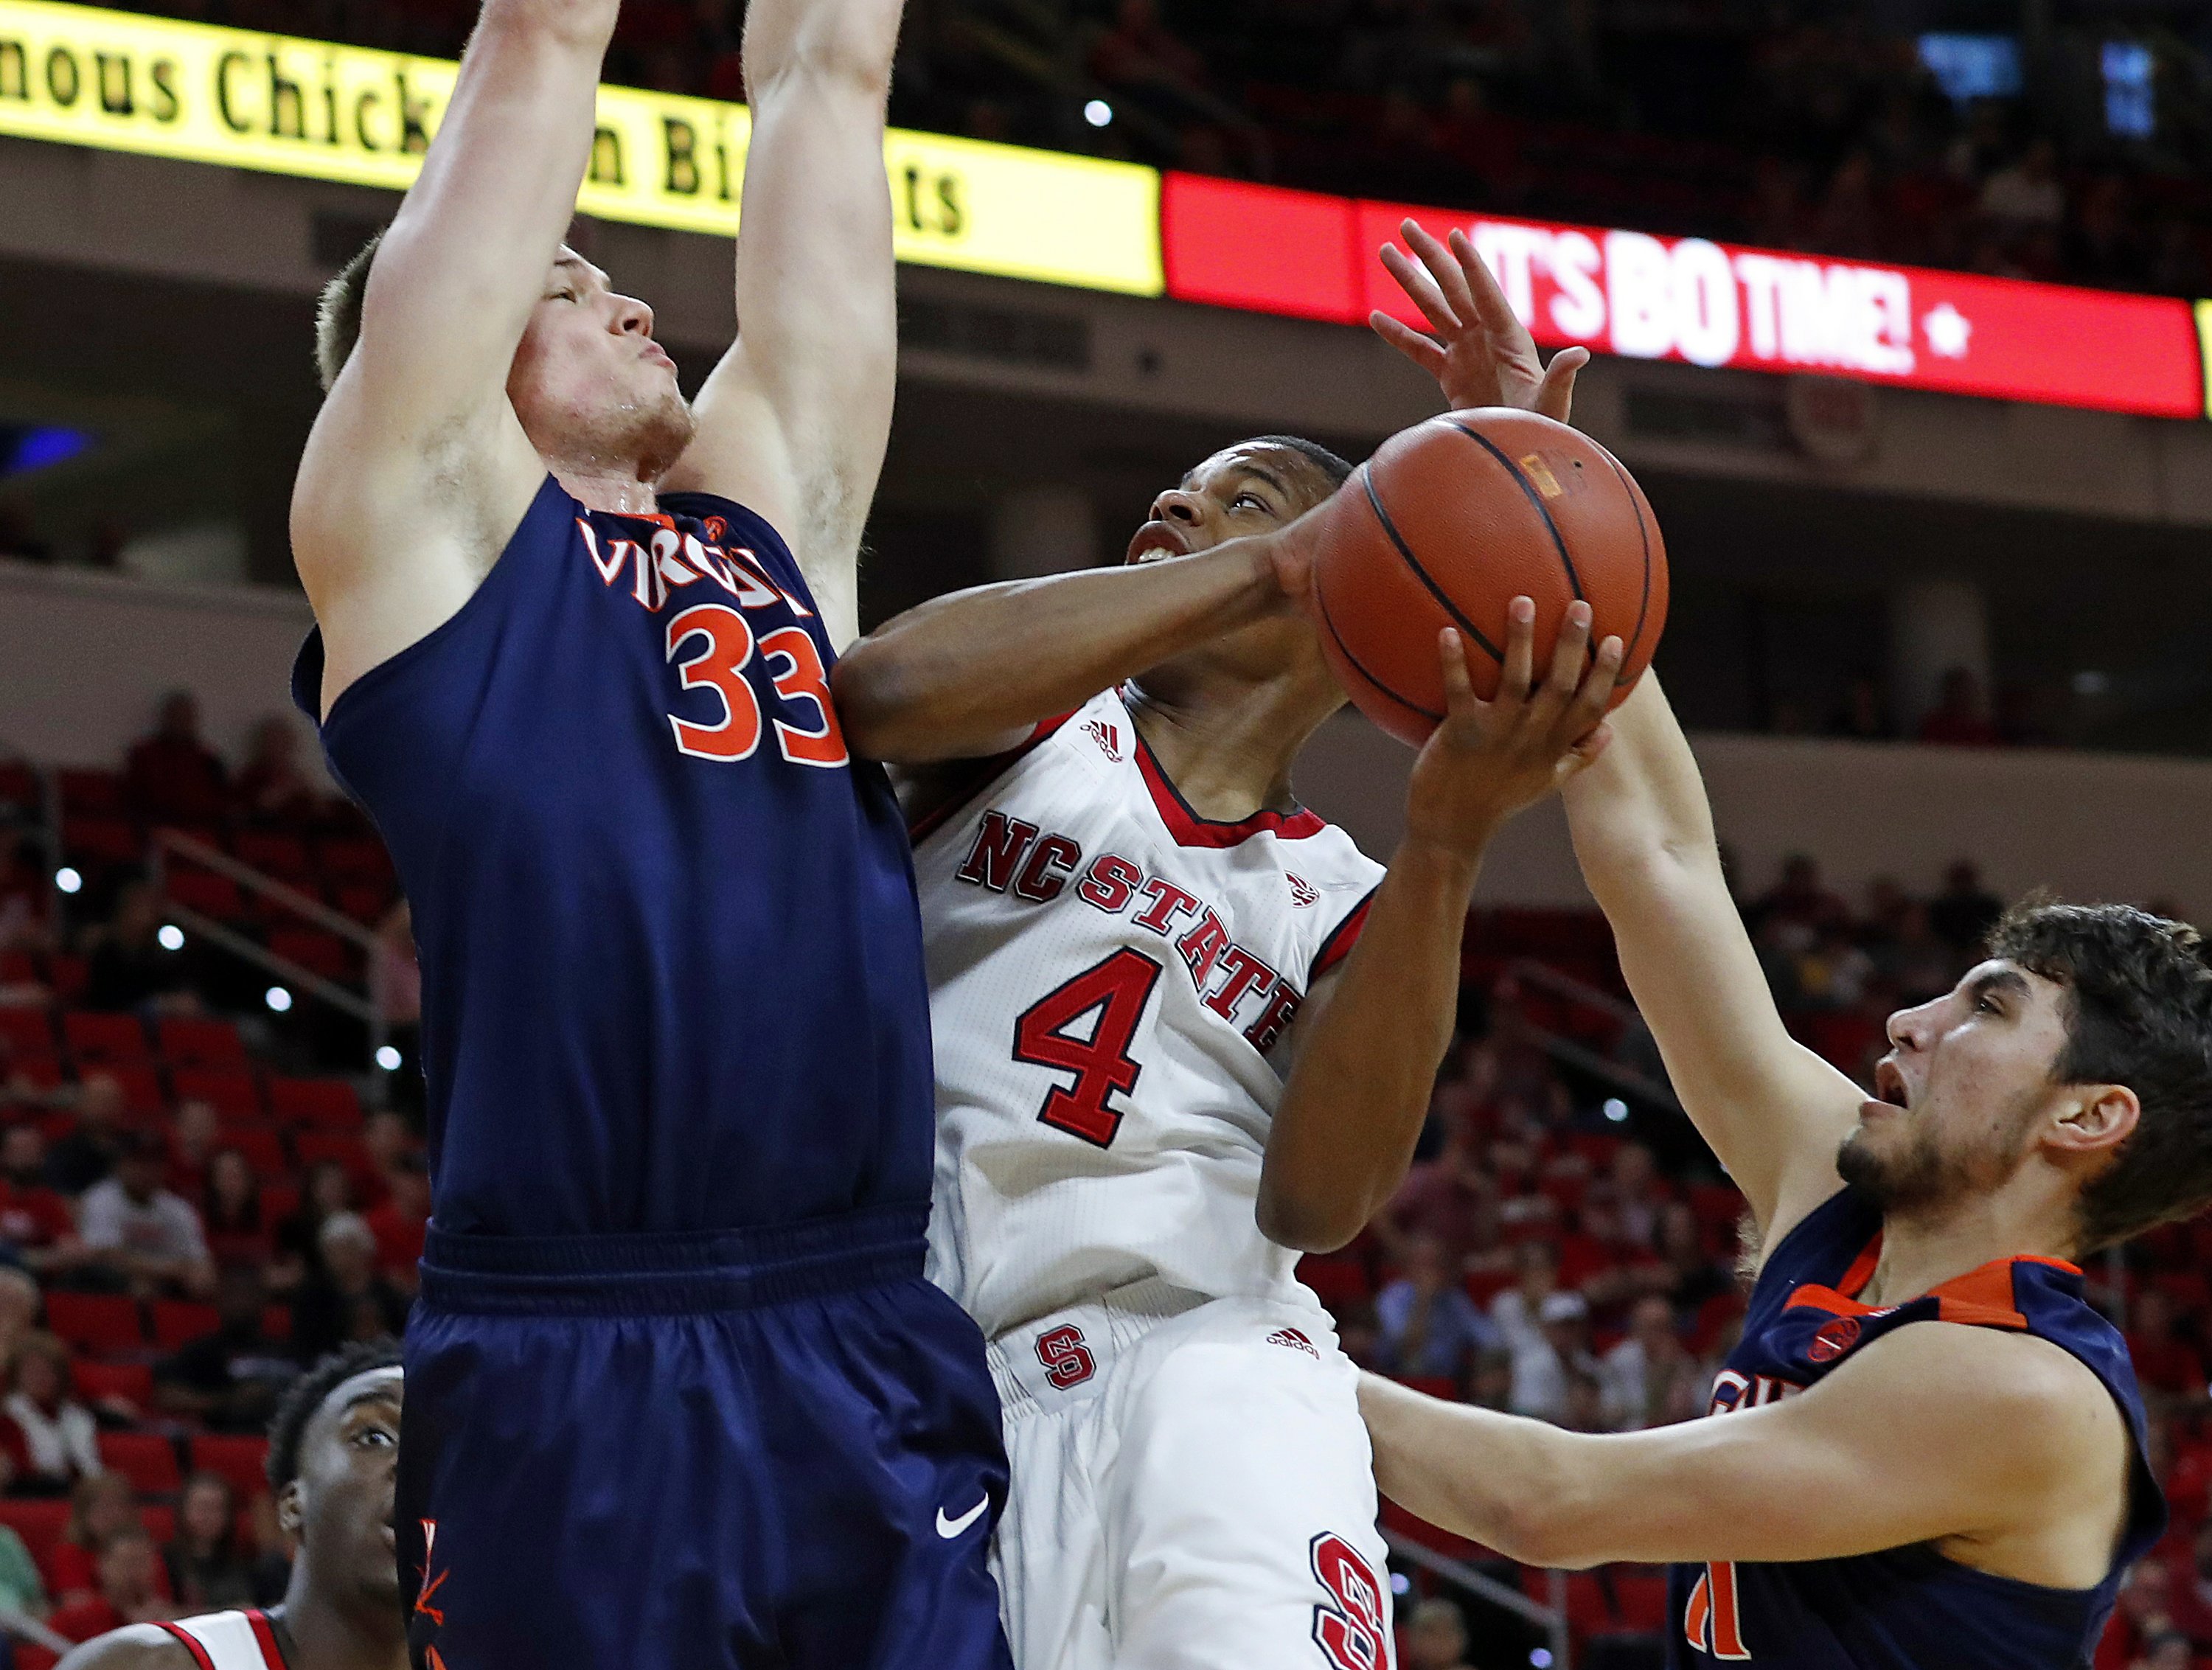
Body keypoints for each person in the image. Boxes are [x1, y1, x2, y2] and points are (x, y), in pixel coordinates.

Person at [1352, 232, 2207, 1670]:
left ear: (2091, 1114)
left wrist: (1233, 1345)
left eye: (1985, 1006)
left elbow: (1553, 1505)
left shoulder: (2024, 1388)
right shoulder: (1841, 1182)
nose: (1906, 1023)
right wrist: (1541, 507)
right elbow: (1665, 868)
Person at [285, 0, 1012, 1648]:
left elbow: (827, 71)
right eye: (564, 281)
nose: (629, 296)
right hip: (579, 1338)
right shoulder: (410, 535)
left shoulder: (768, 521)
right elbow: (542, 37)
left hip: (865, 1314)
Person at [831, 216, 1615, 1666]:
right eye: (1167, 508)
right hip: (941, 1399)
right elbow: (872, 690)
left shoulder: (1344, 892)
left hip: (1209, 1361)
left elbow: (1320, 1201)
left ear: (1360, 579)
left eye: (1240, 500)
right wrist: (1273, 563)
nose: (1172, 521)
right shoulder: (1039, 726)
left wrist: (1446, 842)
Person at [53, 1340, 407, 1670]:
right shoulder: (142, 1664)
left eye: (451, 1450)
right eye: (375, 1436)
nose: (419, 1465)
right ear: (292, 1504)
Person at [154, 1268, 298, 1433]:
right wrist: (229, 1400)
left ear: (263, 1299)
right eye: (233, 1295)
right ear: (219, 1300)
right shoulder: (202, 1351)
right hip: (227, 1436)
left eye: (248, 1294)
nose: (241, 1302)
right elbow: (167, 1396)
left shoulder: (287, 1350)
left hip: (285, 1438)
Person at [78, 1133, 218, 1299]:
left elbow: (201, 1259)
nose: (148, 1171)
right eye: (139, 1162)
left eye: (155, 1163)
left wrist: (200, 1276)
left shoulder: (178, 1209)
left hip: (169, 1286)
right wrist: (172, 1270)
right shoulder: (102, 1199)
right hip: (114, 1290)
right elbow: (107, 1255)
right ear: (120, 1165)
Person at [1377, 1237, 1500, 1383]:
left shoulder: (1453, 1299)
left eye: (1434, 1264)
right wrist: (1424, 1300)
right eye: (1423, 1264)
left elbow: (1492, 1340)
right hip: (1401, 1377)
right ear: (1409, 1266)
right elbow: (1407, 1348)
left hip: (1449, 1380)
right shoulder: (1392, 1297)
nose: (1430, 1272)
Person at [288, 1217, 406, 1367]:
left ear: (364, 1250)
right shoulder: (312, 1296)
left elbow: (401, 1332)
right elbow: (307, 1346)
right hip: (331, 1366)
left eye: (346, 1249)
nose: (339, 1258)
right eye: (331, 1251)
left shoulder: (387, 1292)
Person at [1, 1335, 104, 1496]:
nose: (41, 1377)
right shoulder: (7, 1415)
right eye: (32, 1370)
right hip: (30, 1493)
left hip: (78, 1492)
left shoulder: (78, 1417)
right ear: (16, 1375)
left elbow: (91, 1470)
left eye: (48, 1370)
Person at [49, 1529, 174, 1641]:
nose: (133, 1572)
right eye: (125, 1564)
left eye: (141, 1563)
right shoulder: (73, 1622)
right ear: (102, 1566)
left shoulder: (175, 1624)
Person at [124, 695, 227, 829]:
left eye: (186, 717)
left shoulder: (209, 760)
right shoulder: (143, 755)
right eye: (176, 716)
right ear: (166, 718)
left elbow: (220, 802)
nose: (181, 722)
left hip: (200, 832)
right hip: (155, 829)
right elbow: (134, 799)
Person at [163, 1474, 257, 1613]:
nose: (208, 1517)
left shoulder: (245, 1562)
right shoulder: (165, 1561)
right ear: (183, 1510)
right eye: (202, 1508)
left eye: (217, 1508)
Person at [46, 1073, 131, 1197]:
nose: (105, 1107)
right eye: (98, 1100)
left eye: (111, 1100)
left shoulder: (132, 1150)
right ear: (82, 1105)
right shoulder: (65, 1154)